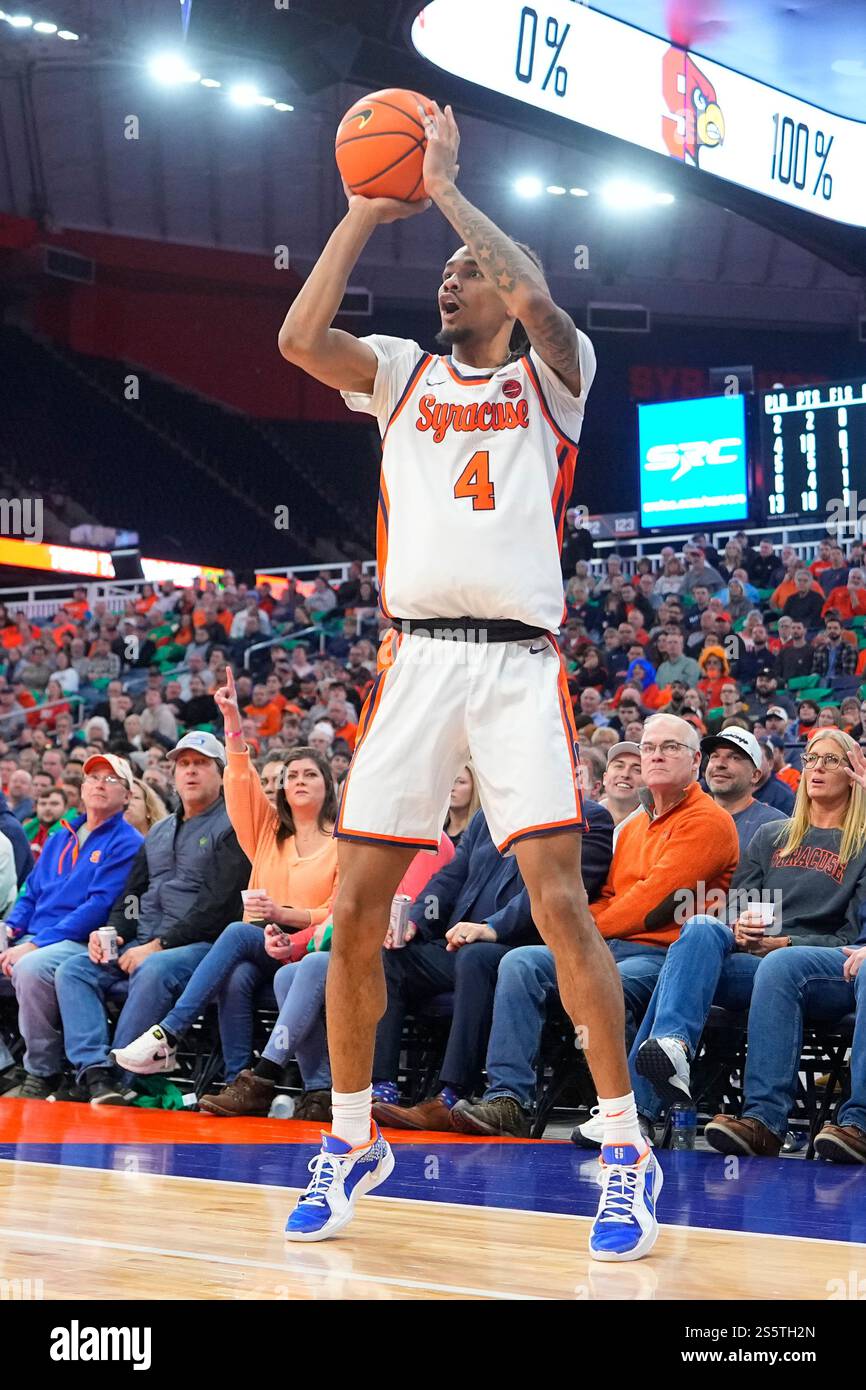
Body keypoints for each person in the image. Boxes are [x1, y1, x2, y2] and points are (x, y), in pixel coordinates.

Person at [276, 99, 660, 1259]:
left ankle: (624, 1150)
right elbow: (299, 340)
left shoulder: (558, 376)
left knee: (555, 903)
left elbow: (540, 294)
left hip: (517, 666)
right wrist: (358, 212)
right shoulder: (395, 372)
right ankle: (350, 1138)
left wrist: (443, 189)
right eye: (441, 272)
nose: (448, 283)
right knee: (351, 911)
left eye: (466, 271)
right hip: (416, 661)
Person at [452, 713, 739, 1141]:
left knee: (607, 983)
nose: (656, 754)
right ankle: (508, 1099)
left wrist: (587, 933)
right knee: (521, 962)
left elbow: (650, 905)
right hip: (607, 945)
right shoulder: (634, 825)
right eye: (649, 747)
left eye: (670, 748)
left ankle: (622, 1110)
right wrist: (586, 933)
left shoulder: (708, 821)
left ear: (695, 760)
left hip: (663, 956)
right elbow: (605, 895)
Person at [633, 729, 866, 1154]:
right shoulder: (771, 836)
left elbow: (851, 936)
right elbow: (739, 908)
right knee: (699, 929)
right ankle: (652, 1087)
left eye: (832, 761)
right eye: (812, 758)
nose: (816, 768)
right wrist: (738, 927)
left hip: (823, 967)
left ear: (854, 775)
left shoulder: (861, 842)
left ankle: (763, 1118)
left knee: (779, 967)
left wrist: (787, 943)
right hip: (759, 961)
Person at [115, 671, 339, 1088]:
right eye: (291, 777)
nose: (299, 782)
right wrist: (233, 722)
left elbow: (340, 910)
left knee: (236, 934)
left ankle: (169, 1033)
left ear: (329, 785)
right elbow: (240, 781)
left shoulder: (342, 842)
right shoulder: (267, 832)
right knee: (235, 978)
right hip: (266, 942)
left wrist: (285, 912)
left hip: (313, 944)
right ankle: (240, 1081)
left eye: (310, 775)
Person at [372, 800, 613, 1133]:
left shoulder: (585, 819)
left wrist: (492, 927)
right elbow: (450, 879)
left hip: (526, 951)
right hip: (461, 943)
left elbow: (558, 890)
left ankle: (452, 1094)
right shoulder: (488, 817)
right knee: (393, 954)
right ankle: (380, 1085)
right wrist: (416, 922)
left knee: (477, 957)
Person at [53, 732, 250, 1104]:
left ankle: (119, 1073)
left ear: (222, 774)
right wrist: (115, 933)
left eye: (201, 764)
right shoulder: (158, 832)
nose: (190, 772)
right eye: (184, 765)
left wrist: (158, 945)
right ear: (174, 775)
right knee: (73, 969)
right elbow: (132, 895)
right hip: (143, 943)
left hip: (199, 948)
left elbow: (218, 906)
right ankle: (94, 1072)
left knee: (154, 970)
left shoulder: (232, 827)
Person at [0, 754, 142, 1099]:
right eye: (93, 777)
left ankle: (41, 1070)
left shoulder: (128, 841)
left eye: (111, 780)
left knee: (31, 968)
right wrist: (11, 929)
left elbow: (97, 907)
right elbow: (30, 891)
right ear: (81, 788)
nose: (99, 784)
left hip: (78, 940)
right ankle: (4, 1065)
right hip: (35, 935)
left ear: (127, 795)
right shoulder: (61, 835)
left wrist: (33, 944)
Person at [701, 728, 786, 849]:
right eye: (715, 756)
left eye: (734, 757)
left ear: (755, 775)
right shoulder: (688, 818)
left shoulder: (776, 826)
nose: (720, 764)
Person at [599, 741, 644, 835]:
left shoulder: (656, 824)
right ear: (605, 778)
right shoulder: (586, 819)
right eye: (619, 766)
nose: (625, 774)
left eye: (637, 770)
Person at [442, 764, 481, 849]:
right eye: (449, 781)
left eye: (460, 782)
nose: (452, 788)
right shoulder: (437, 834)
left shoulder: (480, 835)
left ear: (475, 788)